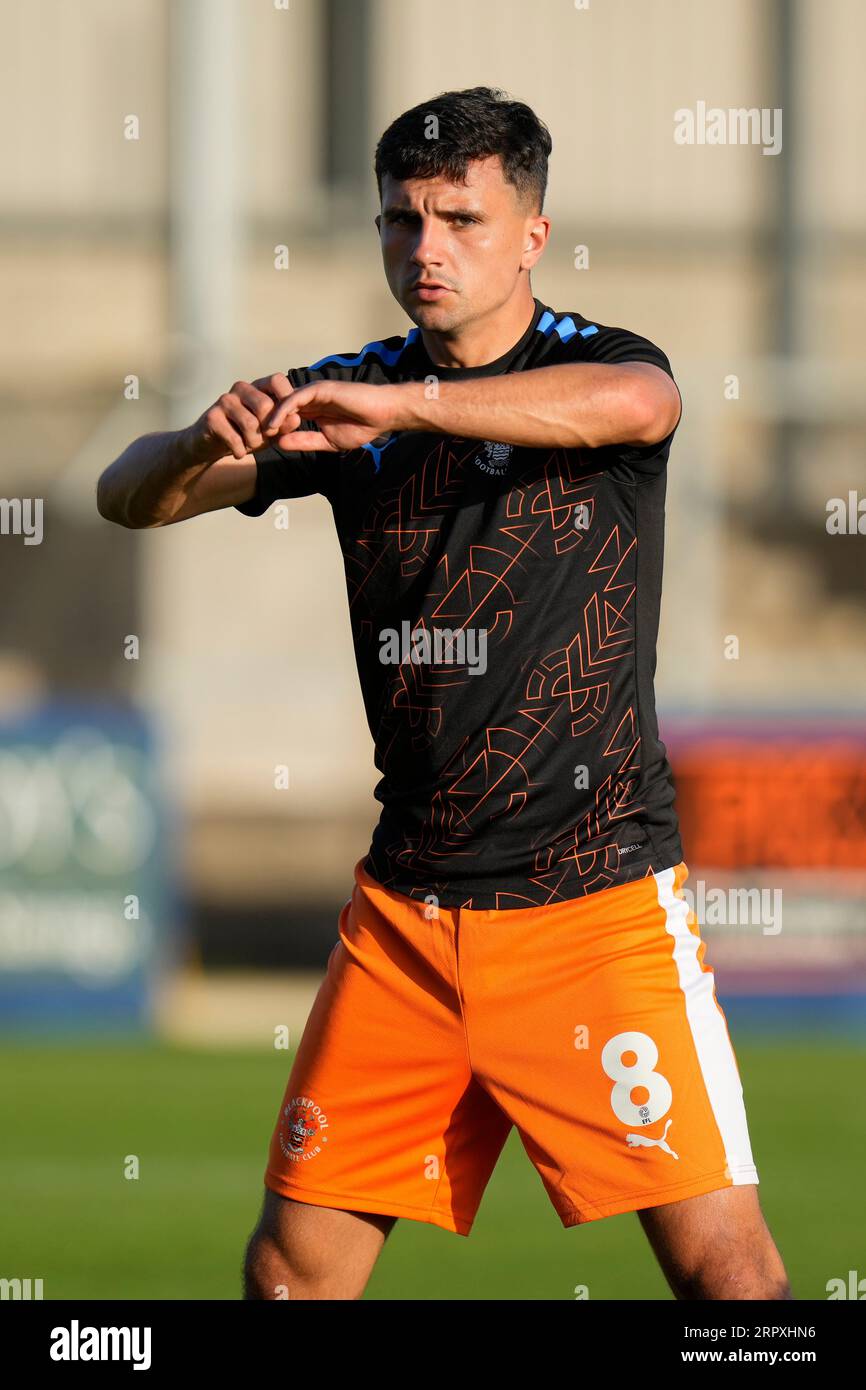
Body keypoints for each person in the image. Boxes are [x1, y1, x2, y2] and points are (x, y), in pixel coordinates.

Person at [98, 86, 792, 1302]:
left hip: (594, 910)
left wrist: (404, 408)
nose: (425, 249)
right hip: (407, 920)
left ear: (530, 231)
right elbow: (125, 496)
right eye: (400, 220)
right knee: (290, 1277)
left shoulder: (595, 367)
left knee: (729, 1279)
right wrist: (199, 444)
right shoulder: (347, 394)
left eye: (460, 219)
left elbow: (641, 408)